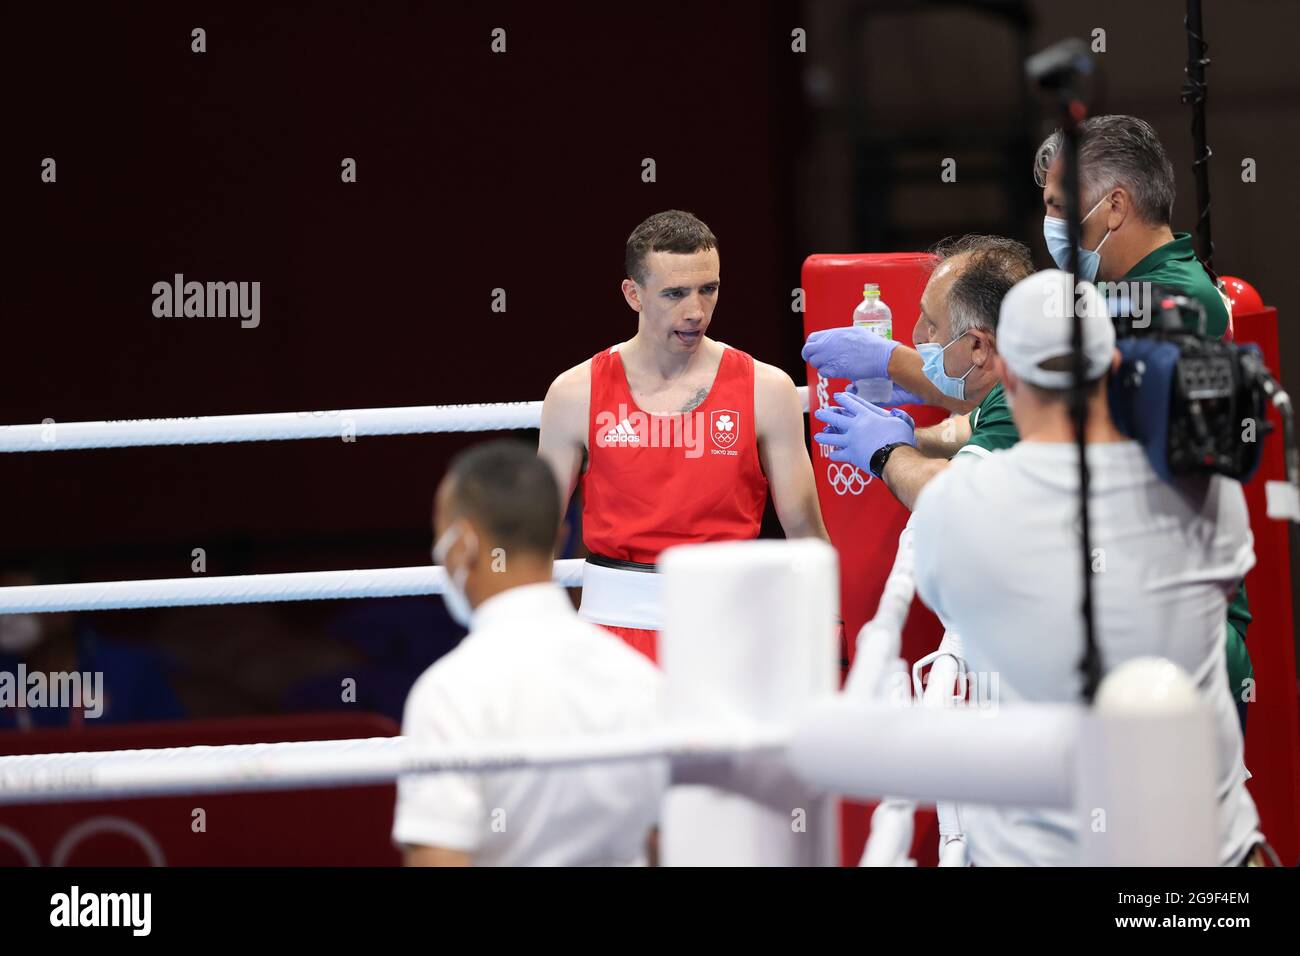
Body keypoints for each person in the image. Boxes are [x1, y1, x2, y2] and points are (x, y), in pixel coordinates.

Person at [910, 270, 1262, 866]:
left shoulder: (959, 506)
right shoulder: (1211, 492)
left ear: (1007, 375)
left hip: (1039, 853)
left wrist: (890, 451)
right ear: (1115, 364)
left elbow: (955, 596)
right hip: (1202, 862)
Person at [1035, 114, 1251, 724]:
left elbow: (1036, 343)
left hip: (1185, 628)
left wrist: (904, 364)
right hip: (1142, 606)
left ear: (1114, 206)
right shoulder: (1126, 296)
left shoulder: (1177, 299)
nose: (1049, 224)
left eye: (1058, 206)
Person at [539, 210, 829, 661]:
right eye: (674, 294)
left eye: (708, 290)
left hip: (730, 630)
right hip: (612, 632)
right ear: (632, 294)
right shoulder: (575, 393)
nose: (695, 312)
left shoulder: (767, 390)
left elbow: (805, 530)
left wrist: (827, 629)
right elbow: (535, 534)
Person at [393, 440, 667, 866]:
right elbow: (663, 845)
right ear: (558, 536)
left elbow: (438, 858)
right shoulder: (640, 679)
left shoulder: (450, 691)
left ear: (463, 543)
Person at [808, 235, 1033, 510]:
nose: (916, 335)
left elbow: (952, 500)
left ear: (978, 345)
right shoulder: (1012, 383)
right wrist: (909, 436)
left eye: (931, 323)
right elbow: (967, 429)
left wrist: (886, 451)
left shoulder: (1024, 400)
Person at [0, 561, 185, 730]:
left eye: (21, 604)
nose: (7, 619)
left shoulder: (131, 671)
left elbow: (174, 747)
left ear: (60, 611)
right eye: (5, 605)